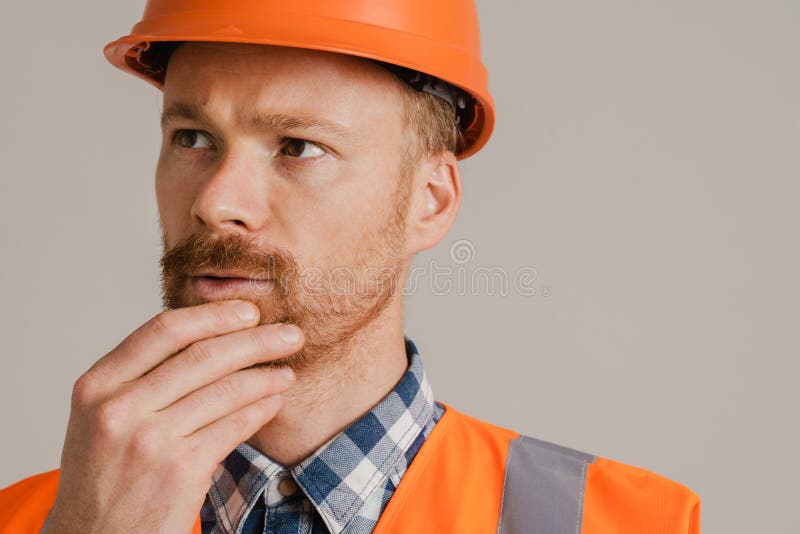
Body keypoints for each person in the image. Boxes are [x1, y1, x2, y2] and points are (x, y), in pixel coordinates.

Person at [0, 1, 700, 533]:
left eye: (298, 147)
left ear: (429, 201)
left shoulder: (615, 522)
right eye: (192, 137)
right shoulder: (34, 518)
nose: (216, 203)